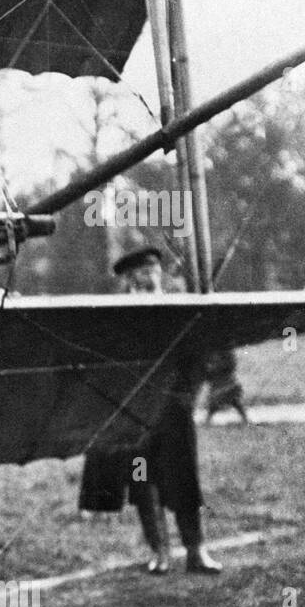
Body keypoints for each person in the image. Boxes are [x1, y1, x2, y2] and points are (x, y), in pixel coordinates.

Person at [78, 246, 223, 575]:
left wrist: (189, 390)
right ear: (128, 280)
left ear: (160, 274)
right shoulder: (120, 316)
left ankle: (196, 550)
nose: (146, 278)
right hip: (137, 413)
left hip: (173, 408)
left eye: (151, 271)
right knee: (143, 482)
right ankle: (159, 551)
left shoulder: (179, 308)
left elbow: (198, 352)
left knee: (184, 478)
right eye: (138, 274)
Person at [203, 346, 250, 425]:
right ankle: (208, 420)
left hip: (227, 381)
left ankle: (245, 419)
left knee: (234, 401)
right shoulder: (209, 352)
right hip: (217, 383)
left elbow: (231, 365)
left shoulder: (226, 351)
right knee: (215, 404)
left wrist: (214, 368)